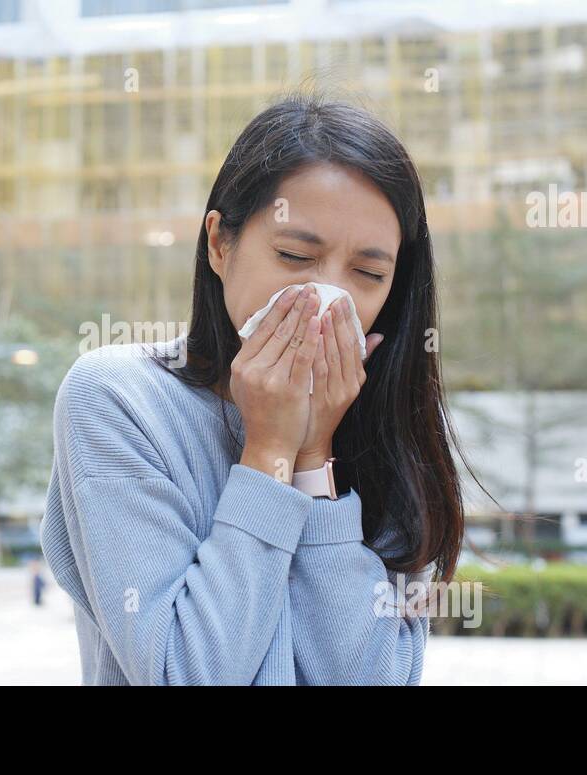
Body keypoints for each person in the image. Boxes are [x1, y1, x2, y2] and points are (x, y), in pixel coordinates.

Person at [40, 93, 464, 685]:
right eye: (295, 255)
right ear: (220, 243)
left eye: (368, 274)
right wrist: (268, 452)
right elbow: (185, 673)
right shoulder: (119, 399)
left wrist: (316, 458)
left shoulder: (384, 425)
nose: (325, 297)